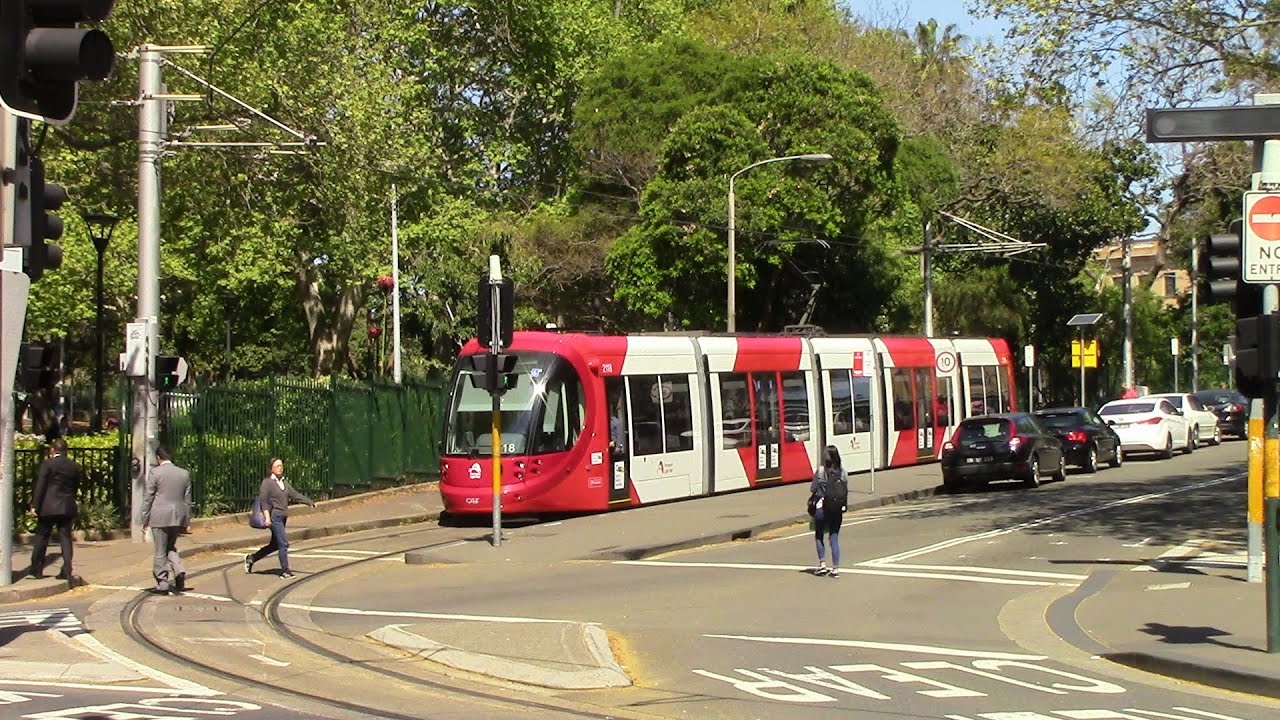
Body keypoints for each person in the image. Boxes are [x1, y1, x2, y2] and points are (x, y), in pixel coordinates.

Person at [245, 458, 315, 579]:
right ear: (271, 468)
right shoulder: (267, 483)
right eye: (277, 466)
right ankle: (285, 571)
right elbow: (263, 501)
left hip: (283, 517)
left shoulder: (283, 482)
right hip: (274, 517)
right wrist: (267, 518)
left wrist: (309, 502)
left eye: (281, 466)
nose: (280, 468)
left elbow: (295, 494)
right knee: (283, 543)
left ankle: (252, 558)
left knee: (275, 545)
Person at [141, 445, 192, 595]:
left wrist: (144, 518)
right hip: (177, 515)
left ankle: (162, 581)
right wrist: (186, 521)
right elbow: (187, 500)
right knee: (171, 546)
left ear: (158, 458)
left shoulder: (155, 473)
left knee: (160, 550)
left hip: (159, 515)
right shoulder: (184, 474)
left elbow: (148, 497)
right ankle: (179, 569)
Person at [28, 438, 80, 583]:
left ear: (52, 450)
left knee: (42, 536)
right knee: (65, 537)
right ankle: (67, 569)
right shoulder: (73, 466)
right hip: (66, 506)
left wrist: (35, 505)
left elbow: (41, 485)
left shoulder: (47, 464)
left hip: (48, 506)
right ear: (66, 451)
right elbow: (75, 487)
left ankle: (37, 568)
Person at [808, 445, 848, 578]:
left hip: (821, 509)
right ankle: (835, 568)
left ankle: (822, 565)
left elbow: (813, 489)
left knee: (819, 535)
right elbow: (845, 490)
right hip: (837, 509)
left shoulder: (820, 471)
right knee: (834, 537)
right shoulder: (843, 472)